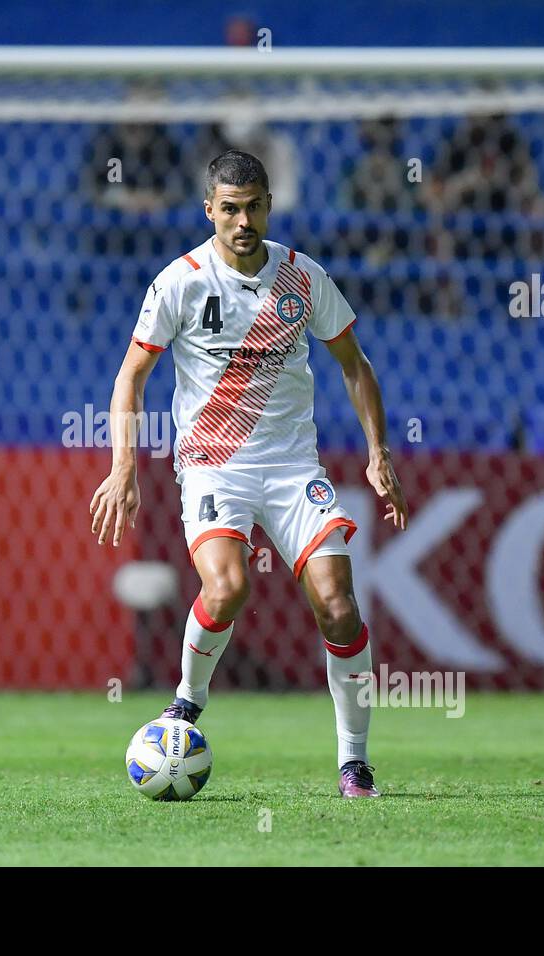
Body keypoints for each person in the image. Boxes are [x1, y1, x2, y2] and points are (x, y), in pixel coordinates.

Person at [88, 150, 409, 799]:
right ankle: (186, 701)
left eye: (253, 206)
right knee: (227, 588)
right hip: (213, 466)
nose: (242, 220)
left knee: (340, 607)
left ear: (268, 205)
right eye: (229, 208)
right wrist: (124, 464)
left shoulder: (301, 277)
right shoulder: (179, 282)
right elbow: (132, 375)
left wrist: (378, 453)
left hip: (293, 468)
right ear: (209, 209)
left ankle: (354, 762)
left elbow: (355, 363)